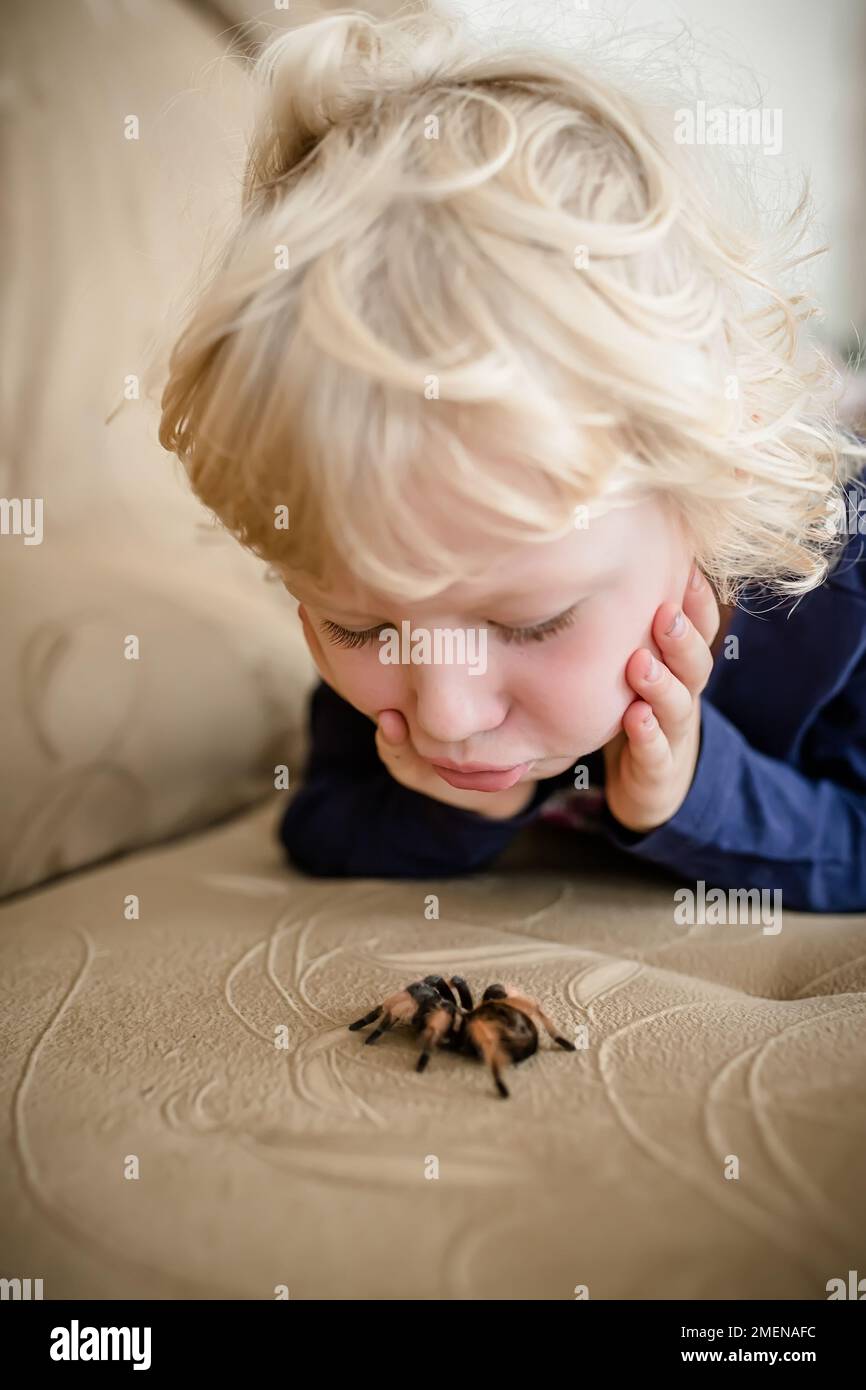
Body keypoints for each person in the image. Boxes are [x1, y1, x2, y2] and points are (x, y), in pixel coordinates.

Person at [158, 5, 866, 911]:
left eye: (531, 624)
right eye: (360, 630)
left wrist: (694, 789)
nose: (446, 714)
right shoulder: (410, 576)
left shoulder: (836, 609)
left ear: (715, 485)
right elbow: (323, 825)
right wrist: (447, 803)